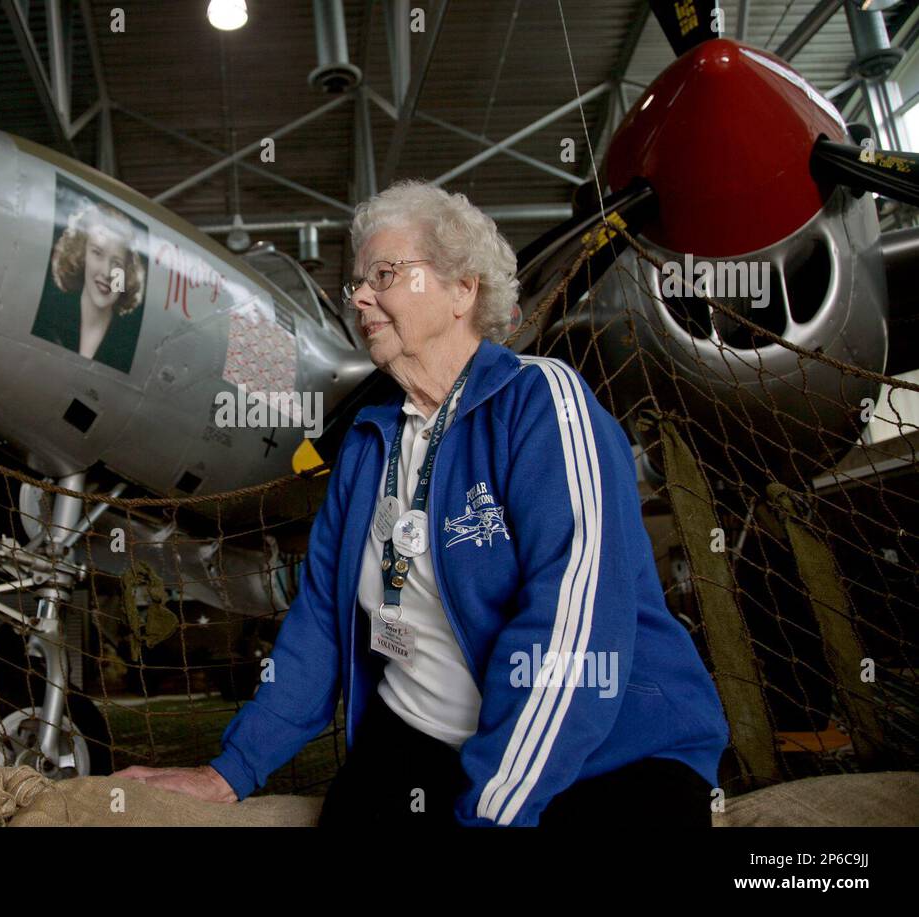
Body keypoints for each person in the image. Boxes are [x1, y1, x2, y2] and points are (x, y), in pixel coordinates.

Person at [115, 180, 731, 827]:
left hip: (606, 752)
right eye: (356, 281)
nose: (357, 295)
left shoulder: (543, 403)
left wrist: (492, 809)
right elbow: (321, 620)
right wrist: (229, 769)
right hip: (421, 741)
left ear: (463, 289)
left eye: (384, 273)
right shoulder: (366, 444)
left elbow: (571, 630)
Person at [30, 198, 146, 374]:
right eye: (97, 253)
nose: (107, 272)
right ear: (81, 255)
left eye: (117, 263)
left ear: (127, 272)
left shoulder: (127, 345)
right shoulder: (48, 321)